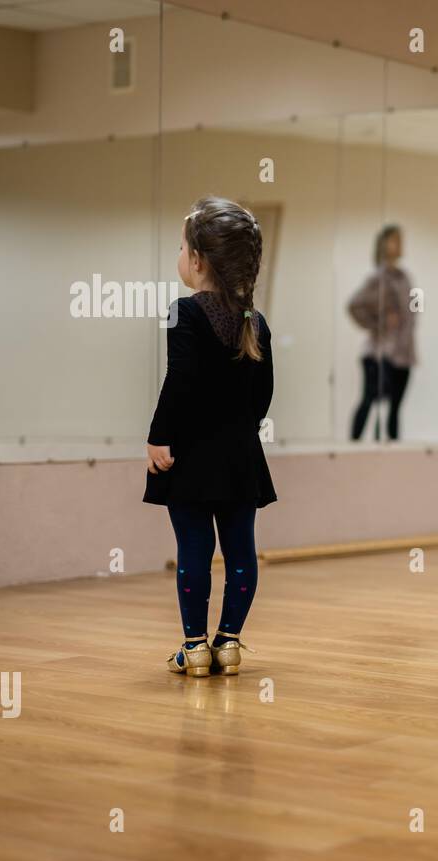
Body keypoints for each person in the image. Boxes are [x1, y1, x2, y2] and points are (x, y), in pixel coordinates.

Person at [144, 197, 276, 678]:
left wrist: (159, 436)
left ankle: (194, 648)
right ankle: (230, 642)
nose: (179, 255)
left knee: (194, 549)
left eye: (182, 247)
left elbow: (178, 379)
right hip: (241, 456)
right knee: (240, 549)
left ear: (197, 260)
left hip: (191, 457)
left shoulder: (185, 312)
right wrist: (239, 434)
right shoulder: (253, 321)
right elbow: (264, 393)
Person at [348, 225, 416, 441]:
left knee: (395, 409)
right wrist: (379, 322)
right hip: (379, 353)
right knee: (369, 400)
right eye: (395, 239)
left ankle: (394, 456)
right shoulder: (378, 277)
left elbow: (411, 313)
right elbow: (354, 305)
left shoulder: (404, 277)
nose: (400, 244)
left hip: (403, 355)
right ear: (384, 244)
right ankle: (352, 448)